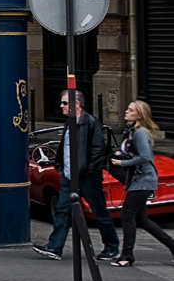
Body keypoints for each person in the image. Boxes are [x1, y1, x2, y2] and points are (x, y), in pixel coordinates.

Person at [33, 90, 120, 261]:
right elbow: (65, 148)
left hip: (87, 177)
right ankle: (55, 247)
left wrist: (88, 170)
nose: (61, 106)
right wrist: (60, 166)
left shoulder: (90, 123)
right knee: (62, 211)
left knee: (99, 211)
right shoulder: (69, 123)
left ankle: (112, 247)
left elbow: (98, 149)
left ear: (76, 104)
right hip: (68, 176)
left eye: (65, 103)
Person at [108, 100, 174, 267]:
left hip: (143, 180)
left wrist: (122, 163)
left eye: (130, 110)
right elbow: (134, 154)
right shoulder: (130, 132)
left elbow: (145, 158)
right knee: (142, 219)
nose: (126, 111)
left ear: (139, 115)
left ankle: (127, 256)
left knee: (127, 215)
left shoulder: (140, 132)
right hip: (139, 179)